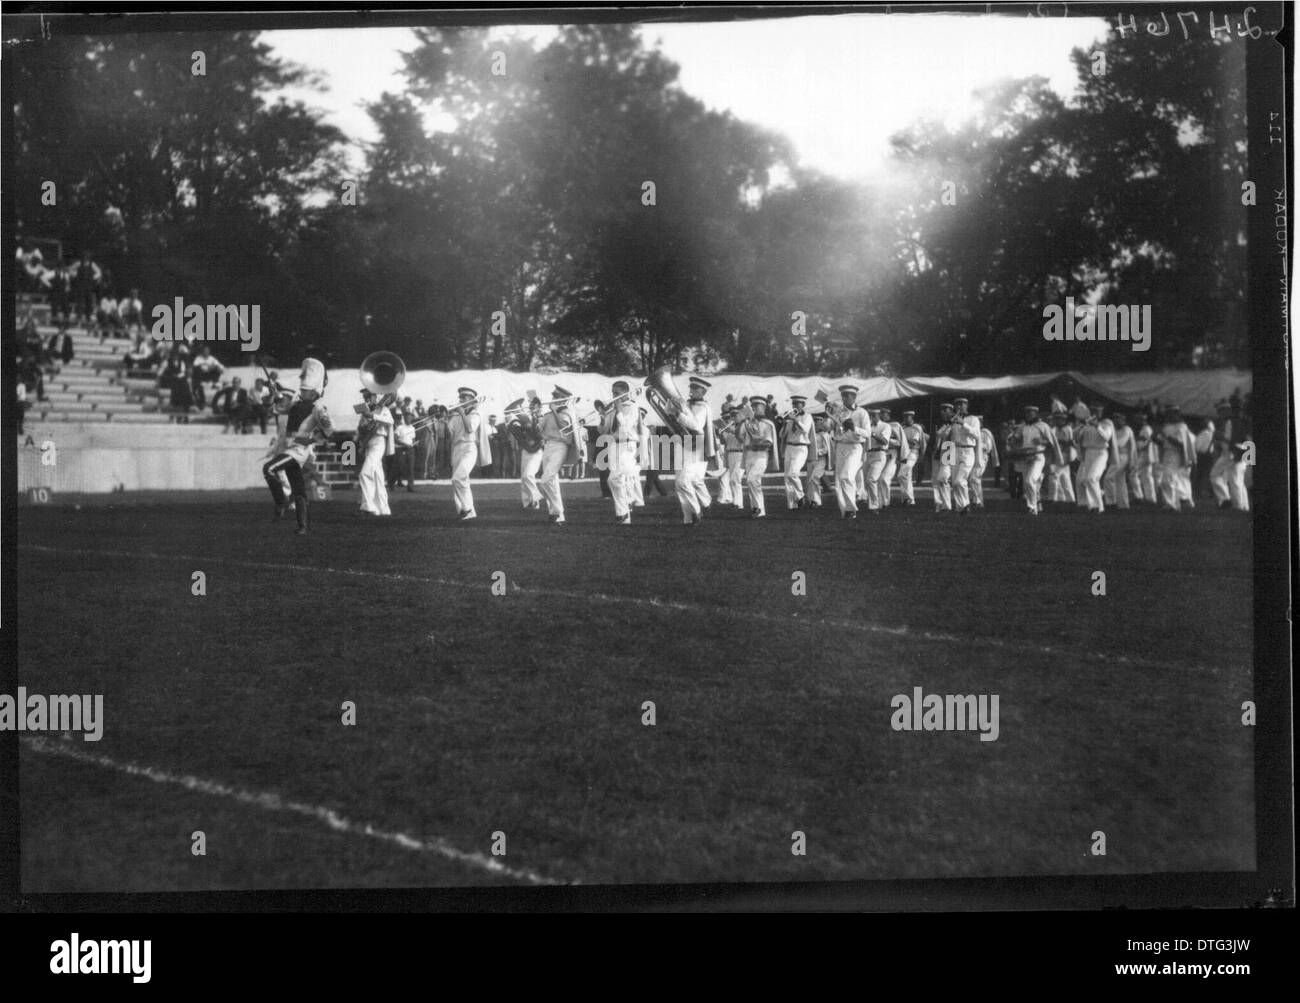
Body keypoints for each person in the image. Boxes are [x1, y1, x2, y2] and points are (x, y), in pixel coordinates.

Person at [262, 359, 333, 535]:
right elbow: (274, 408)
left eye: (305, 390)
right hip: (290, 448)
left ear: (314, 393)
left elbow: (329, 431)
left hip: (298, 450)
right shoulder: (295, 404)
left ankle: (281, 503)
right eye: (302, 389)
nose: (301, 391)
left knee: (269, 469)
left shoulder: (318, 409)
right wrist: (273, 395)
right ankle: (302, 526)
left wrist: (310, 441)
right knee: (298, 487)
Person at [538, 386, 583, 524]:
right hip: (547, 446)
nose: (553, 399)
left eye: (557, 397)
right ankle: (555, 514)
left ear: (563, 399)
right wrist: (535, 416)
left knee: (546, 479)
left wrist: (554, 411)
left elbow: (564, 427)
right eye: (554, 397)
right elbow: (539, 431)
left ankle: (558, 510)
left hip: (560, 446)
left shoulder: (568, 412)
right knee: (552, 482)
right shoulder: (548, 414)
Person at [601, 380, 643, 524]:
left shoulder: (632, 407)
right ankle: (624, 511)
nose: (614, 396)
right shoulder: (613, 409)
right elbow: (604, 430)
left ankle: (624, 511)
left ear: (625, 393)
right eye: (613, 393)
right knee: (615, 480)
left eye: (617, 393)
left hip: (627, 445)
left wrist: (618, 410)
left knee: (614, 479)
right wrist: (602, 416)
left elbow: (625, 427)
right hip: (614, 446)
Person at [1009, 405, 1062, 515]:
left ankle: (1032, 507)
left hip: (1038, 457)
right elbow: (1016, 438)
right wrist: (1013, 438)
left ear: (1036, 413)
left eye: (1031, 412)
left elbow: (1052, 441)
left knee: (1030, 480)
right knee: (1027, 483)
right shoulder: (1023, 426)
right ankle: (1036, 503)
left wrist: (1042, 442)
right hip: (1025, 456)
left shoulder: (1043, 426)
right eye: (1027, 413)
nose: (1028, 414)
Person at [449, 388, 489, 520]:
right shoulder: (456, 416)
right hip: (457, 448)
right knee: (460, 481)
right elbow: (449, 433)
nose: (461, 400)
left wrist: (461, 413)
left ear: (471, 400)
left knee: (458, 477)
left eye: (464, 398)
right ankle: (464, 511)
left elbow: (470, 428)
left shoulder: (475, 413)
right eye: (460, 397)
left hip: (469, 448)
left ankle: (468, 509)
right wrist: (443, 419)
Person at [831, 385, 869, 518]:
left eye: (848, 395)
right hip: (840, 445)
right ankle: (845, 510)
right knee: (838, 481)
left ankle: (851, 508)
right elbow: (833, 428)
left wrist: (854, 428)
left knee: (846, 476)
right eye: (843, 395)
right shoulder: (838, 412)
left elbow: (868, 433)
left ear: (854, 397)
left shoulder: (862, 412)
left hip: (855, 446)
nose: (845, 398)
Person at [356, 389, 394, 516]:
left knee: (365, 473)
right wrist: (364, 424)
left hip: (378, 442)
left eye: (368, 396)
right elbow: (360, 428)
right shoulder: (365, 412)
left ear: (375, 397)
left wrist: (373, 416)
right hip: (368, 443)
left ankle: (367, 506)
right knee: (378, 476)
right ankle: (383, 509)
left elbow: (390, 421)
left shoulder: (383, 409)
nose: (366, 399)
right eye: (365, 397)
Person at [739, 396, 777, 519]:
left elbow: (769, 442)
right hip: (749, 454)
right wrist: (741, 421)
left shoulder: (767, 424)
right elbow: (740, 436)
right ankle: (755, 508)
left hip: (761, 454)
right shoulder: (748, 422)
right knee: (752, 482)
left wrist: (757, 443)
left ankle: (760, 508)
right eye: (753, 406)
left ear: (764, 408)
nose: (754, 409)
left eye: (757, 406)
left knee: (752, 479)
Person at [1076, 404, 1118, 513]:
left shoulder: (1106, 424)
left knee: (1092, 478)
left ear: (1102, 413)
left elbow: (1106, 437)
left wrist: (1097, 426)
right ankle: (1093, 506)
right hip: (1088, 452)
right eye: (1094, 411)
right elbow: (1076, 437)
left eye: (1098, 411)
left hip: (1101, 453)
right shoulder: (1086, 424)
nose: (1096, 414)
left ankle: (1099, 506)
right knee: (1088, 480)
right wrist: (1082, 426)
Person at [1154, 406, 1196, 511]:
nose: (1169, 415)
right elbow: (1163, 443)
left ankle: (1172, 503)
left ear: (1177, 414)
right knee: (1175, 479)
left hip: (1176, 454)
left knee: (1167, 478)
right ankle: (1179, 502)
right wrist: (1155, 438)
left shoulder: (1181, 427)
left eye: (1172, 413)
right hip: (1167, 453)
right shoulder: (1167, 426)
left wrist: (1166, 436)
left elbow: (1181, 444)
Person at [1210, 401, 1250, 512]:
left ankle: (1231, 502)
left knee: (1218, 476)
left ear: (1228, 410)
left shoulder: (1232, 422)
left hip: (1233, 454)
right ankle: (1243, 506)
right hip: (1238, 453)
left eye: (1221, 411)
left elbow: (1234, 441)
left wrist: (1221, 438)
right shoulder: (1235, 421)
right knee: (1238, 481)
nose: (1220, 414)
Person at [780, 395, 814, 509]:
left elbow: (805, 430)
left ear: (803, 405)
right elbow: (781, 435)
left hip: (801, 447)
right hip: (789, 447)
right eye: (793, 404)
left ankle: (800, 495)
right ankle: (792, 504)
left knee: (793, 473)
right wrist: (784, 424)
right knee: (787, 477)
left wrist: (795, 420)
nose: (794, 406)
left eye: (797, 404)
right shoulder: (790, 418)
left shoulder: (807, 416)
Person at [511, 397, 545, 510]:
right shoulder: (529, 417)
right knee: (523, 478)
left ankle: (536, 497)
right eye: (531, 405)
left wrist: (531, 422)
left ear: (539, 406)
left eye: (534, 405)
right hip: (527, 449)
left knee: (528, 475)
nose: (531, 407)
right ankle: (528, 502)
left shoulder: (542, 417)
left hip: (536, 450)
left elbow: (541, 435)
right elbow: (523, 431)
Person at [861, 407, 891, 514]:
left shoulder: (885, 426)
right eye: (871, 416)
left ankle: (874, 506)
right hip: (868, 454)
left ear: (879, 416)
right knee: (868, 481)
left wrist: (872, 434)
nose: (872, 418)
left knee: (871, 479)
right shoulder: (868, 426)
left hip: (879, 454)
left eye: (874, 416)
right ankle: (880, 503)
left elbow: (884, 441)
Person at [877, 407, 908, 508]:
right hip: (879, 453)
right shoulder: (877, 426)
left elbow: (900, 442)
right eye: (881, 414)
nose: (883, 416)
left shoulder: (895, 425)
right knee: (877, 478)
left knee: (885, 478)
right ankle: (880, 503)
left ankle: (886, 502)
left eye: (885, 414)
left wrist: (887, 440)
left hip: (891, 453)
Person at [1104, 412, 1135, 510]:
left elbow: (1119, 444)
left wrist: (1105, 443)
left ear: (1123, 421)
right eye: (1115, 419)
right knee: (1119, 481)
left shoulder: (1127, 429)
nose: (1116, 421)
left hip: (1123, 456)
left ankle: (1111, 502)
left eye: (1119, 419)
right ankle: (1123, 505)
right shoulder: (1114, 430)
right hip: (1116, 456)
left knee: (1108, 478)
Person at [930, 402, 956, 512]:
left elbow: (951, 439)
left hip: (948, 450)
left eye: (944, 411)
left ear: (950, 412)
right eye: (942, 411)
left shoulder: (954, 424)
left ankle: (947, 505)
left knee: (943, 478)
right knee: (935, 480)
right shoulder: (940, 423)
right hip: (937, 452)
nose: (942, 413)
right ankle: (939, 504)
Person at [969, 416, 998, 509]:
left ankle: (977, 501)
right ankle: (976, 500)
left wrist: (977, 445)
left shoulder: (985, 433)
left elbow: (988, 447)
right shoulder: (972, 432)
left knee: (974, 477)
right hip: (973, 457)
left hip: (982, 457)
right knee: (974, 479)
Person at [804, 414, 833, 508]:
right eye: (815, 422)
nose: (817, 425)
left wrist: (816, 452)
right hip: (810, 459)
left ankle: (815, 501)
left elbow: (826, 449)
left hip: (821, 460)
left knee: (814, 478)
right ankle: (811, 499)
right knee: (809, 480)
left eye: (819, 422)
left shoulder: (825, 435)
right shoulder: (810, 435)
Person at [898, 411, 926, 506]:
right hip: (904, 452)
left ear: (912, 417)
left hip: (912, 452)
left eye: (908, 417)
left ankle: (909, 498)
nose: (906, 418)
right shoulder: (903, 428)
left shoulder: (916, 428)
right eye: (905, 417)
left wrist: (903, 440)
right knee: (907, 476)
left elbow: (914, 442)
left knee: (902, 474)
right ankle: (907, 499)